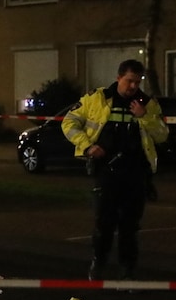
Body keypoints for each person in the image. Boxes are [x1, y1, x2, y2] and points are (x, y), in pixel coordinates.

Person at [62, 58, 169, 281]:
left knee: (130, 226)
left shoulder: (147, 104)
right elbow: (69, 123)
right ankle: (98, 263)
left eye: (138, 82)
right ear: (118, 77)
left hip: (135, 173)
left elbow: (162, 135)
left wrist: (144, 117)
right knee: (104, 222)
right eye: (129, 81)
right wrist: (88, 146)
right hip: (107, 171)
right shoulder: (98, 98)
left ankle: (127, 270)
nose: (133, 86)